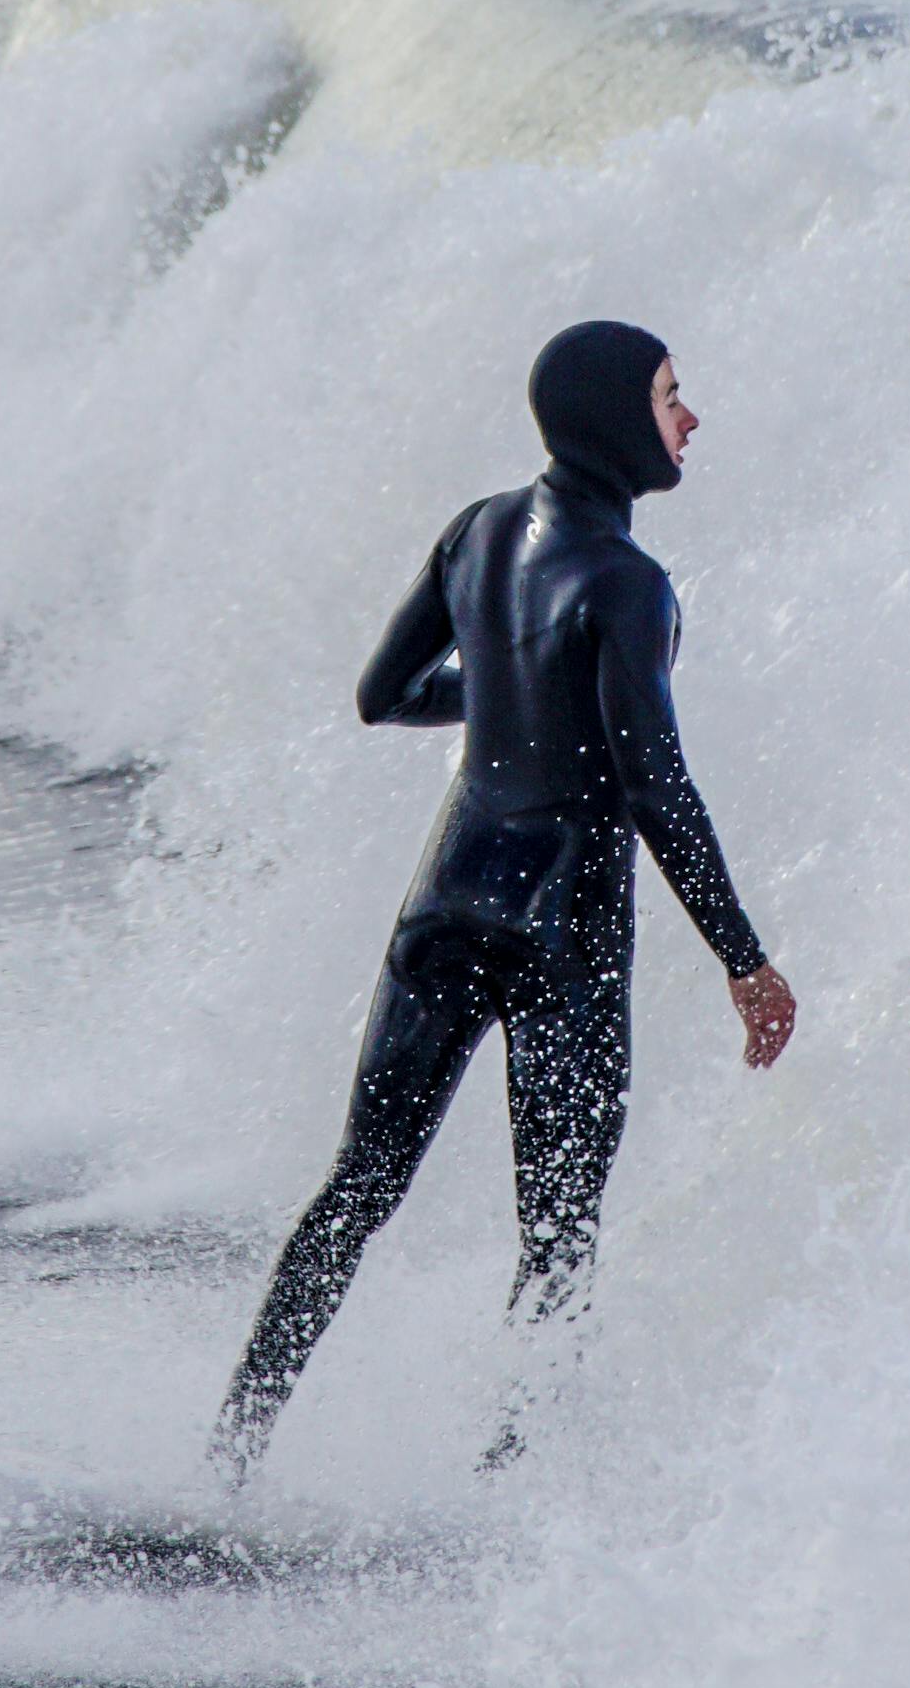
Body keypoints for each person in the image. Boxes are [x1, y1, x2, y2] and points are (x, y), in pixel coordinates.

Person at [212, 319, 795, 1479]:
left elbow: (384, 693)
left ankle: (228, 1457)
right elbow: (651, 784)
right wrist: (744, 957)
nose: (690, 418)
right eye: (671, 397)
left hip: (445, 905)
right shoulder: (629, 583)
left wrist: (511, 691)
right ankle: (507, 1498)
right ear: (613, 420)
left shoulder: (478, 532)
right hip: (560, 930)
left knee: (358, 1188)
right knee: (558, 1236)